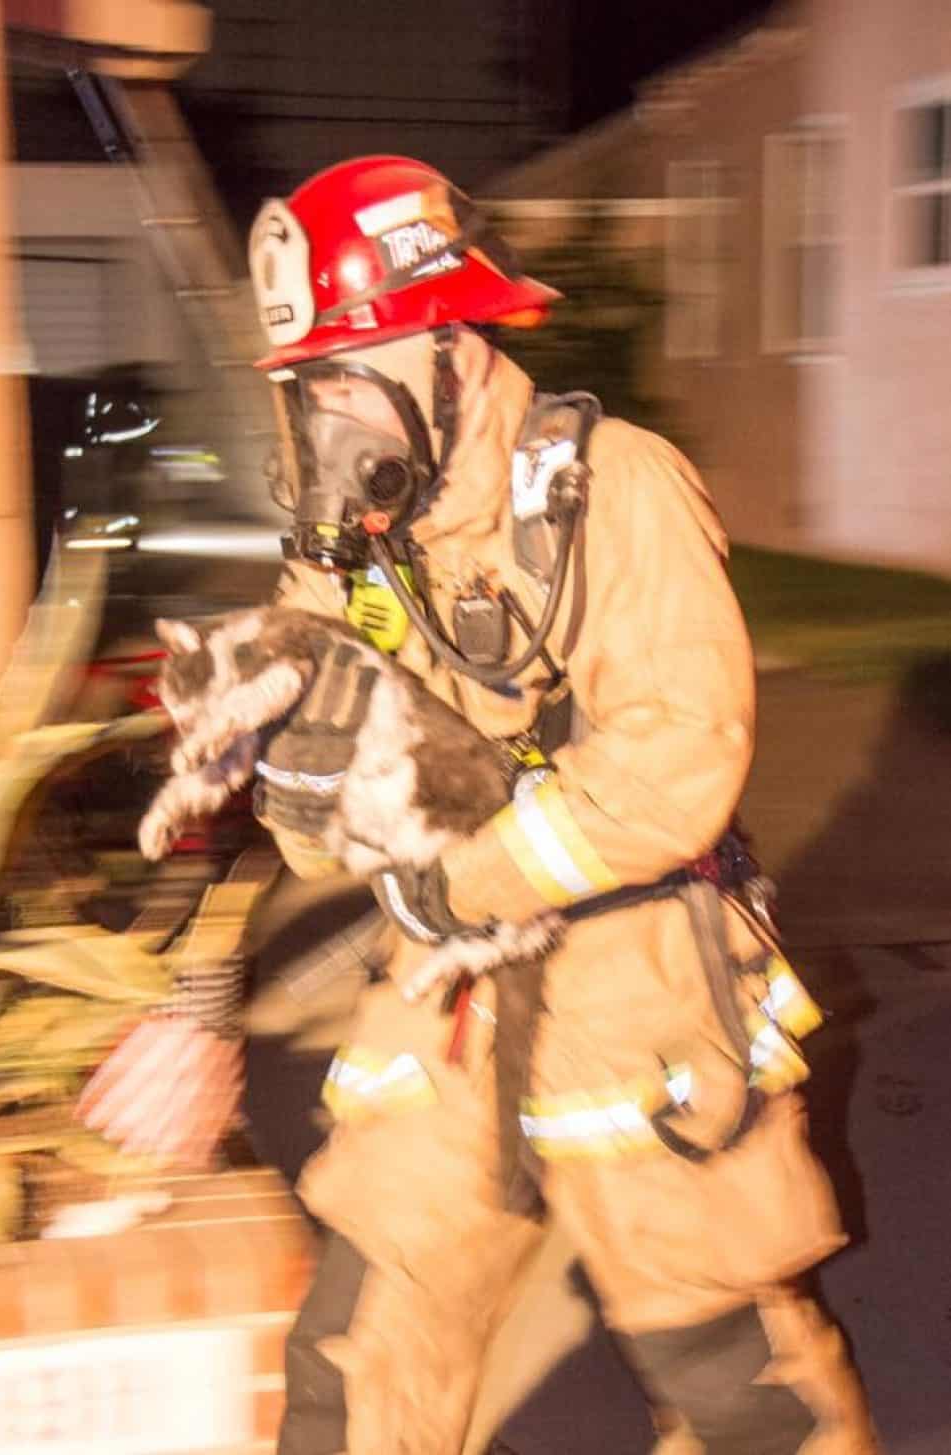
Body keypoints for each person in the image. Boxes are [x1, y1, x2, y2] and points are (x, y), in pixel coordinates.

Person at [84, 155, 877, 1454]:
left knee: (724, 1367)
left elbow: (677, 758)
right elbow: (301, 807)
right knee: (361, 1344)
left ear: (446, 347)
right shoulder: (356, 546)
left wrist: (470, 877)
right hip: (449, 992)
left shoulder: (616, 488)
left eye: (348, 378)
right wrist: (277, 802)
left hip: (643, 984)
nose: (324, 420)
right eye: (306, 388)